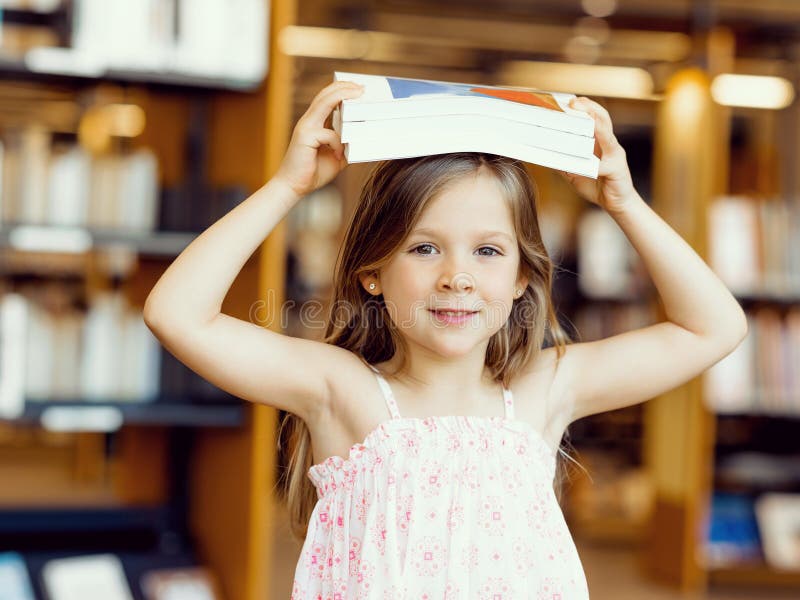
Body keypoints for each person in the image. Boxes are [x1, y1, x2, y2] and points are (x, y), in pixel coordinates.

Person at [143, 80, 748, 598]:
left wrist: (624, 203)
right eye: (425, 248)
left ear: (520, 279)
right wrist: (287, 187)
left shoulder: (543, 390)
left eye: (487, 251)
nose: (456, 276)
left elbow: (713, 326)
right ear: (372, 273)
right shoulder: (340, 389)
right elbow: (177, 314)